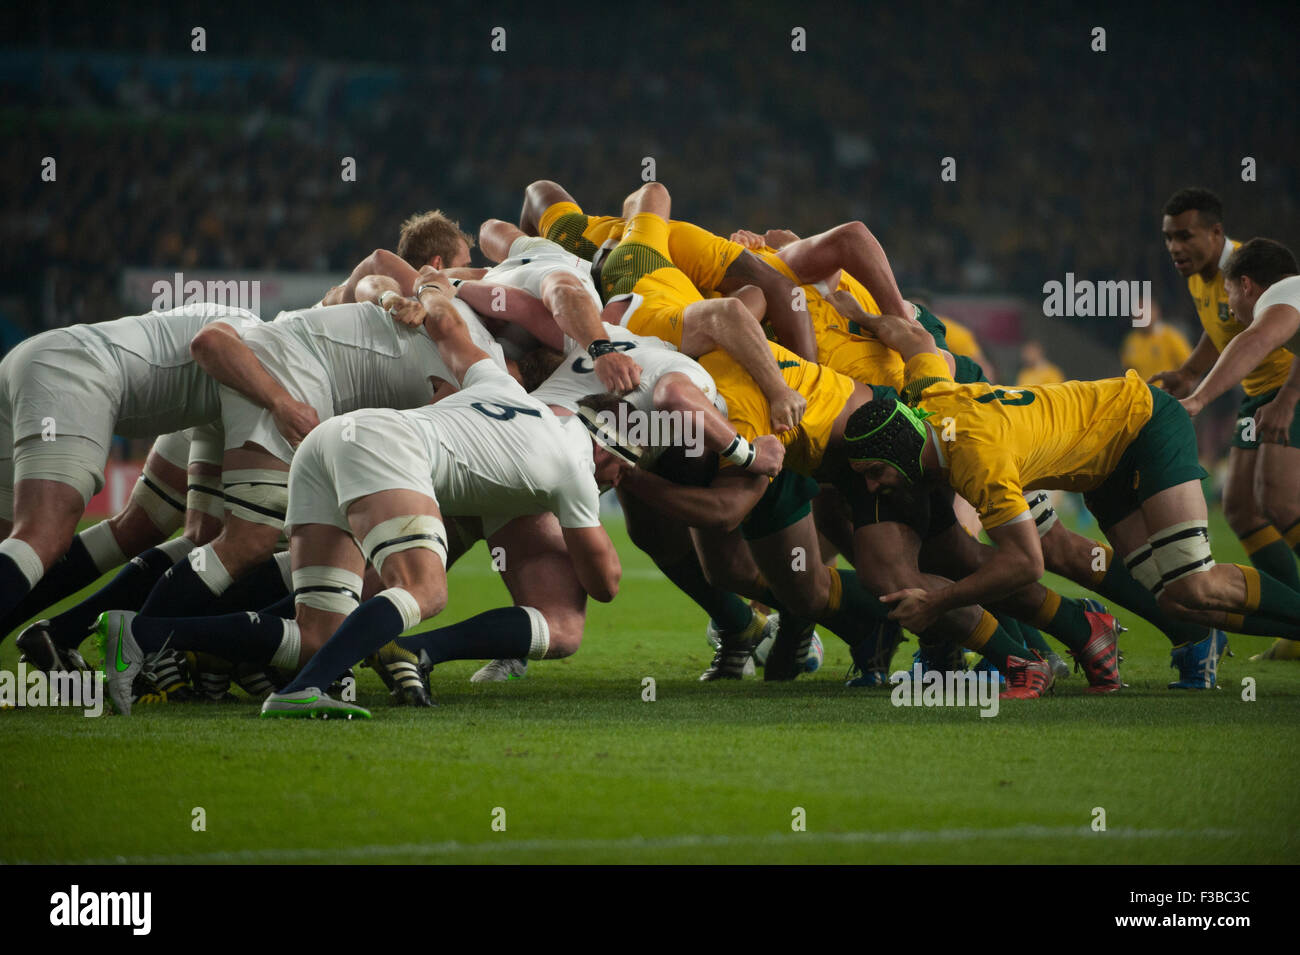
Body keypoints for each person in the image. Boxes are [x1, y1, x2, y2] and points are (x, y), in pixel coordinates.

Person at [841, 303, 1300, 690]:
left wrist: (938, 601)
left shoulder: (977, 462)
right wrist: (855, 312)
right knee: (1176, 601)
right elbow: (915, 337)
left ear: (904, 456)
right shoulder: (928, 397)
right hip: (1099, 463)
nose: (872, 487)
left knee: (1194, 584)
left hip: (1141, 423)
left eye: (876, 473)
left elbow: (1026, 564)